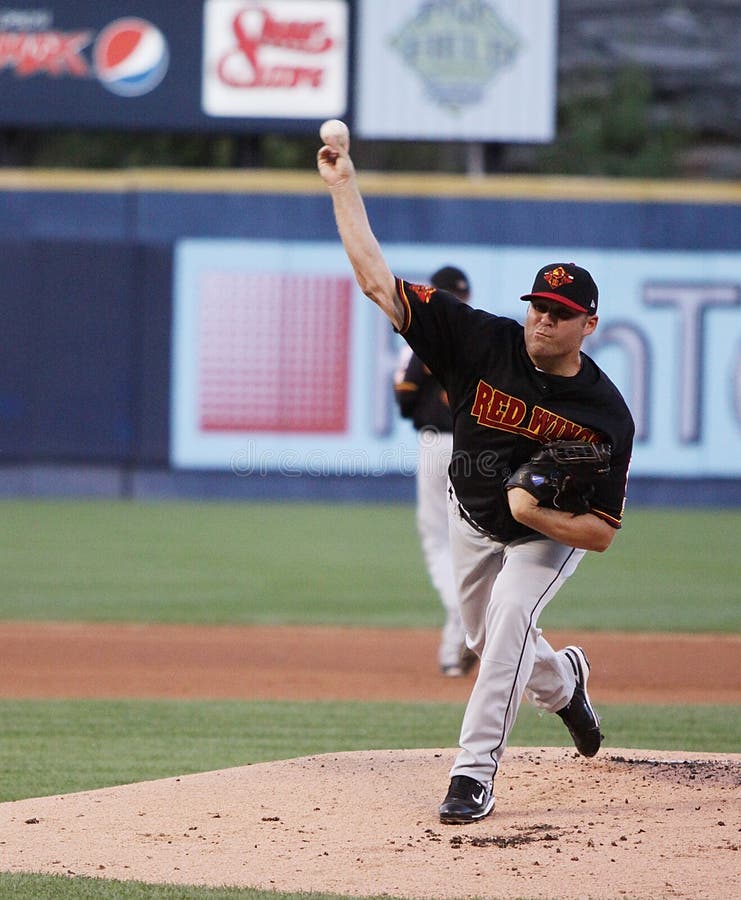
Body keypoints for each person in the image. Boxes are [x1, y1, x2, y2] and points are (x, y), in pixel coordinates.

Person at [317, 124, 635, 825]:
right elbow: (377, 281)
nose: (541, 320)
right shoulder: (479, 338)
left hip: (544, 539)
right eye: (536, 306)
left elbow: (602, 532)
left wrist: (536, 518)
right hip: (470, 514)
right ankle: (567, 683)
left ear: (588, 326)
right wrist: (343, 185)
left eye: (559, 314)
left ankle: (471, 775)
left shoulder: (604, 416)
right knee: (488, 640)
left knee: (514, 614)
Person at [393, 265, 476, 677]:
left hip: (434, 444)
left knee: (437, 541)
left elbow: (404, 395)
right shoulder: (480, 335)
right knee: (471, 539)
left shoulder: (423, 333)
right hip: (477, 450)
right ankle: (451, 654)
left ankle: (466, 616)